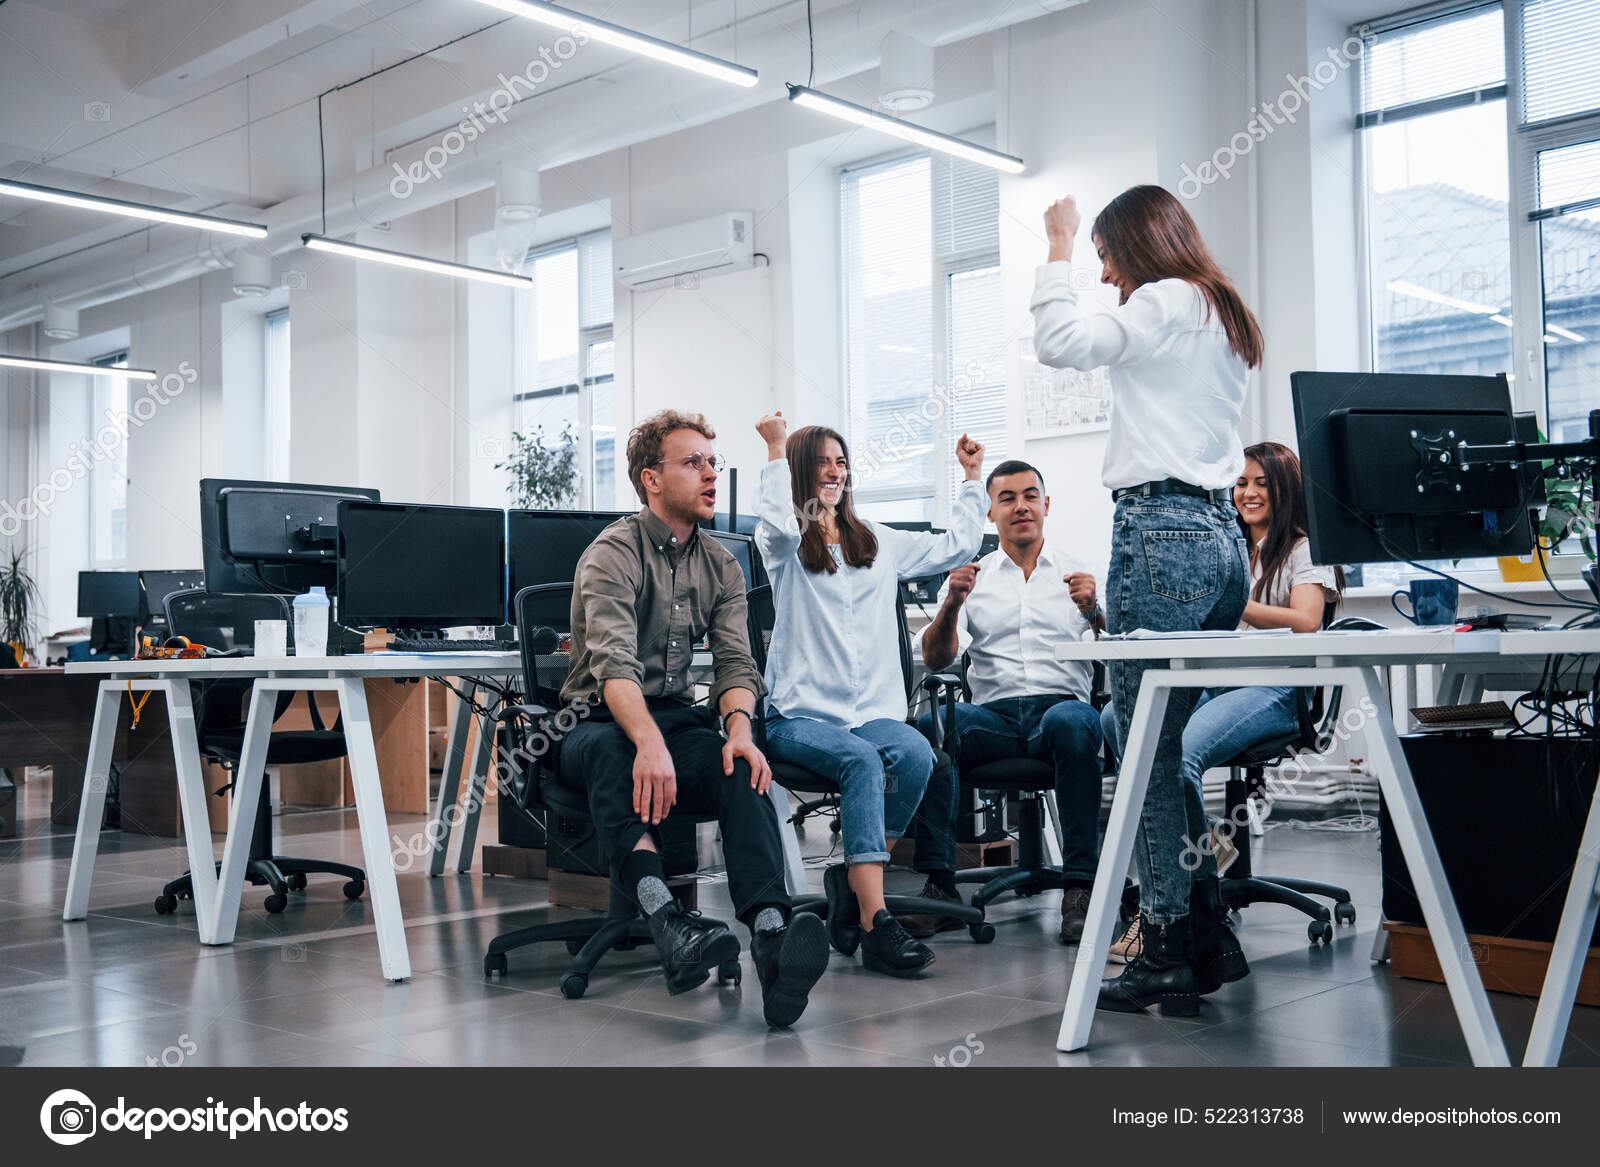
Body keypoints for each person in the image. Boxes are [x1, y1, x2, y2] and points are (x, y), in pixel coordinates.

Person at [1032, 184, 1262, 1016]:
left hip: (1161, 533)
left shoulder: (1166, 299)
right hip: (1220, 542)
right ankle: (1204, 926)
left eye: (1103, 253)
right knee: (1166, 750)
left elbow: (1060, 341)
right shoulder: (1224, 310)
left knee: (1144, 753)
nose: (1099, 273)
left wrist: (1054, 244)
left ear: (1137, 243)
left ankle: (1166, 938)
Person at [558, 409, 828, 1028]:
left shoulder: (723, 564)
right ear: (651, 479)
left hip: (675, 717)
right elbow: (613, 665)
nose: (711, 474)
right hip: (591, 718)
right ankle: (668, 920)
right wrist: (647, 741)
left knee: (742, 768)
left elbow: (737, 664)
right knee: (612, 752)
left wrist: (739, 732)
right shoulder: (612, 554)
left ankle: (770, 934)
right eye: (693, 463)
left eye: (714, 463)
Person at [754, 411, 985, 977]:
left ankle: (856, 878)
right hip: (801, 714)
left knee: (914, 753)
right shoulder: (785, 545)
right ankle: (875, 921)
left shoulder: (878, 541)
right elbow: (781, 524)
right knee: (861, 761)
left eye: (841, 462)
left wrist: (973, 478)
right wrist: (776, 447)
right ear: (800, 473)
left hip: (870, 713)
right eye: (821, 463)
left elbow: (957, 544)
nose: (834, 472)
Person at [1099, 441, 1342, 964]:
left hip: (1276, 688)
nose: (1248, 492)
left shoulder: (1304, 547)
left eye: (1261, 482)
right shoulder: (1221, 543)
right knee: (1116, 719)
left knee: (1176, 754)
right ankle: (1199, 864)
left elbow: (1307, 622)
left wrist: (1237, 602)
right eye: (1240, 482)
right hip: (1217, 680)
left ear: (1285, 490)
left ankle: (1184, 903)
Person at [907, 459, 1107, 945]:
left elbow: (1117, 648)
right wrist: (951, 604)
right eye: (1007, 499)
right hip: (995, 718)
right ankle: (941, 886)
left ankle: (1079, 888)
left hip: (1060, 712)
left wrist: (1095, 609)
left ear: (1046, 504)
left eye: (1030, 495)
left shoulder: (1079, 572)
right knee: (930, 728)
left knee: (1075, 723)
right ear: (991, 515)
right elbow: (935, 660)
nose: (1021, 506)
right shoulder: (975, 578)